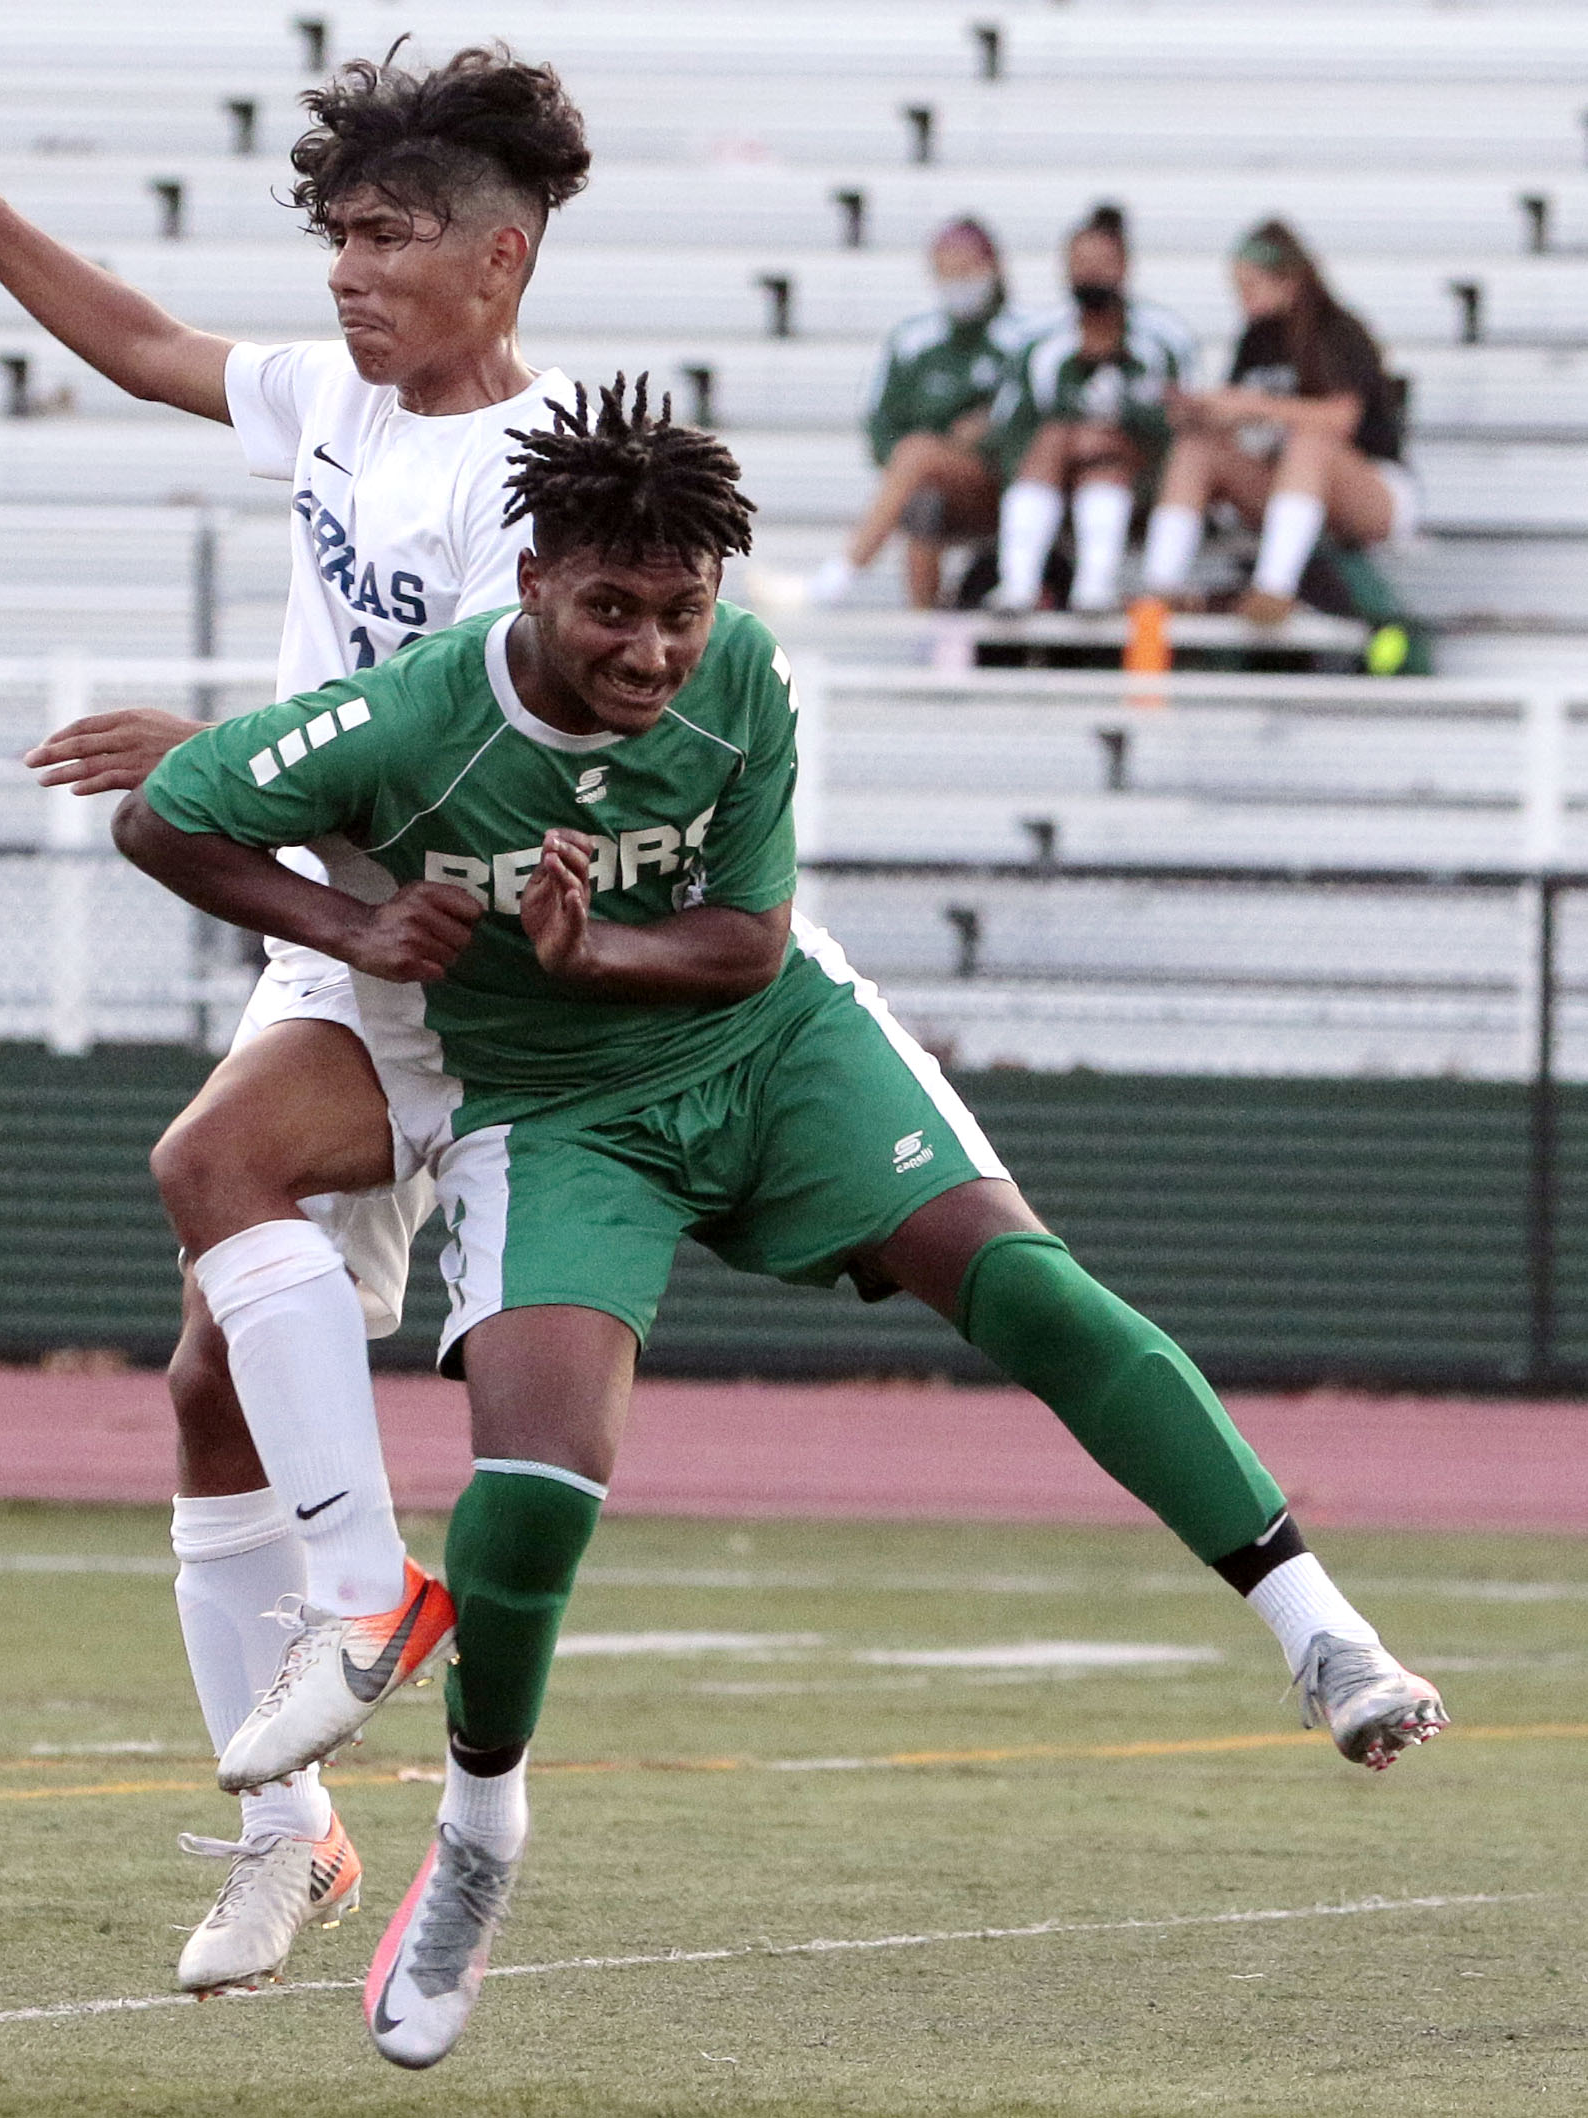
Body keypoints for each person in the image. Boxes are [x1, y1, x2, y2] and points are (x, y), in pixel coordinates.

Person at [119, 378, 1449, 2069]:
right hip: (556, 1107)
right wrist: (353, 930)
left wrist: (597, 946)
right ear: (527, 580)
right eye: (613, 608)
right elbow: (166, 815)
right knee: (531, 1499)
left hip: (772, 1043)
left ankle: (1320, 1632)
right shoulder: (415, 714)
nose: (653, 650)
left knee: (1029, 1287)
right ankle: (479, 1831)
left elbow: (749, 937)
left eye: (681, 611)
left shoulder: (743, 675)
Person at [0, 43, 591, 1996]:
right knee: (203, 1382)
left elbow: (478, 761)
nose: (349, 272)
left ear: (500, 261)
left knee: (211, 1161)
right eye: (338, 234)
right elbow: (141, 340)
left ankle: (368, 1598)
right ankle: (293, 1838)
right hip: (337, 928)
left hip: (475, 959)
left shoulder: (552, 475)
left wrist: (219, 758)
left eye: (391, 236)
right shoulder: (344, 398)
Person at [1141, 221, 1415, 625]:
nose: (1242, 300)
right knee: (1197, 448)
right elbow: (1244, 422)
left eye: (1251, 287)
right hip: (1287, 488)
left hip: (1368, 488)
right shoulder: (1255, 340)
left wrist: (1254, 406)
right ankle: (1160, 586)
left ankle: (1274, 588)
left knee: (1309, 443)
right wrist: (1206, 413)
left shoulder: (1338, 330)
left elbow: (1341, 419)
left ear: (1288, 282)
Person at [806, 216, 1028, 611]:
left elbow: (1031, 417)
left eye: (967, 270)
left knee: (918, 457)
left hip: (1005, 480)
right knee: (921, 489)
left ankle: (841, 574)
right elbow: (881, 425)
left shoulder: (1024, 339)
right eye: (946, 272)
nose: (957, 282)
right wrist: (932, 455)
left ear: (992, 268)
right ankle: (927, 628)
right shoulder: (913, 339)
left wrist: (983, 435)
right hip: (933, 482)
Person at [984, 204, 1196, 614]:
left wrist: (1115, 432)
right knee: (1053, 437)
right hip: (1050, 478)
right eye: (1080, 262)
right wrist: (1072, 438)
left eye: (1102, 262)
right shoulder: (1038, 347)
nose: (1091, 273)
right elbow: (1010, 429)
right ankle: (1018, 583)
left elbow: (1180, 426)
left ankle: (1095, 584)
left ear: (1125, 268)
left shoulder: (1162, 341)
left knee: (1105, 456)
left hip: (1140, 483)